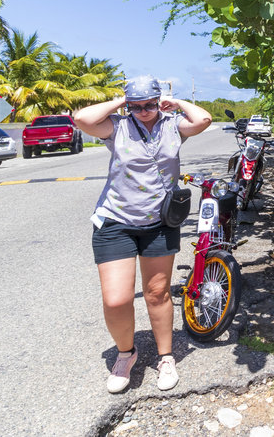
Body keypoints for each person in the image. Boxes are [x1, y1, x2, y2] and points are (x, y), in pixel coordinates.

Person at [75, 76, 212, 393]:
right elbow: (82, 119)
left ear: (159, 100)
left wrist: (175, 103)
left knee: (157, 294)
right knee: (116, 299)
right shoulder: (117, 127)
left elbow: (203, 119)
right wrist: (122, 103)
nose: (144, 111)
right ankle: (126, 353)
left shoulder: (173, 126)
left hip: (159, 223)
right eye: (137, 106)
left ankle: (166, 357)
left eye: (149, 104)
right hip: (115, 221)